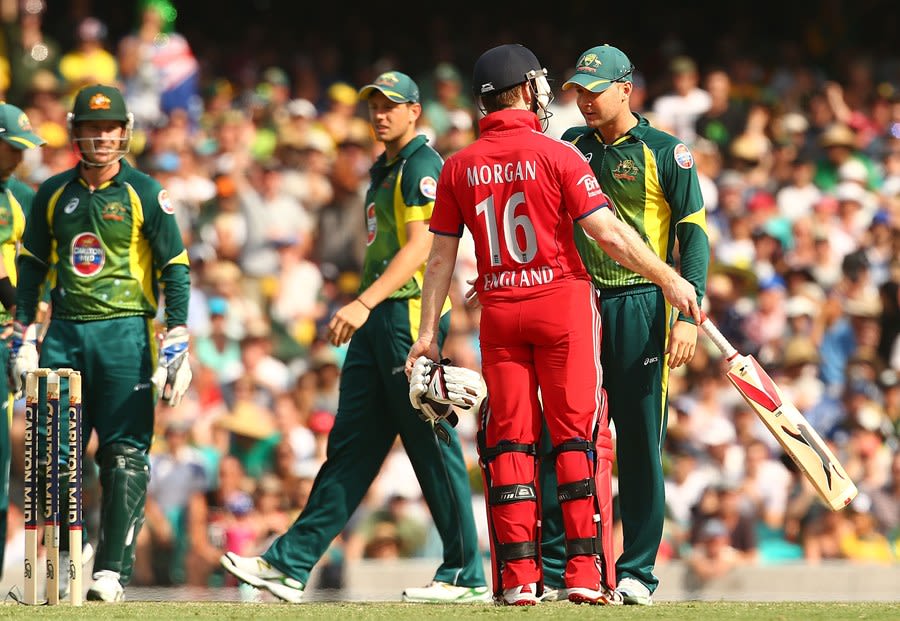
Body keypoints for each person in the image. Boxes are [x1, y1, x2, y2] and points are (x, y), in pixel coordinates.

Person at [406, 43, 700, 606]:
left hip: (498, 310)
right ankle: (587, 577)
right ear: (527, 90)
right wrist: (667, 276)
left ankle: (518, 581)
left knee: (510, 442)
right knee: (579, 438)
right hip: (562, 306)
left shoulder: (459, 165)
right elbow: (607, 234)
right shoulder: (559, 154)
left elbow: (439, 258)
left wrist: (426, 335)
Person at [220, 70, 489, 604]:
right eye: (374, 104)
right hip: (378, 322)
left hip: (404, 318)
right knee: (349, 450)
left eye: (391, 105)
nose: (380, 113)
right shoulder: (385, 170)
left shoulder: (420, 166)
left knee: (430, 443)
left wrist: (365, 302)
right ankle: (290, 565)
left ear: (416, 111)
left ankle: (466, 572)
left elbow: (422, 248)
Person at [11, 84, 192, 601]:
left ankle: (111, 571)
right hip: (65, 330)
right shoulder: (51, 193)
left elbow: (174, 267)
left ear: (125, 132)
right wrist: (27, 333)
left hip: (126, 332)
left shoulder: (145, 192)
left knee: (121, 455)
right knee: (55, 452)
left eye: (110, 127)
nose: (102, 137)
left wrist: (176, 332)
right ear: (76, 132)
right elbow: (33, 268)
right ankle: (71, 555)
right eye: (92, 128)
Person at [549, 44, 710, 605]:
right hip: (577, 303)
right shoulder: (571, 146)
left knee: (640, 441)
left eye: (595, 91)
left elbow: (693, 232)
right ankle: (567, 566)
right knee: (570, 436)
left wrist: (688, 316)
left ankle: (637, 570)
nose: (585, 102)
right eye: (579, 92)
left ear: (626, 89)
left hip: (644, 303)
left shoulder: (668, 151)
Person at [0, 102, 45, 578]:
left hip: (8, 337)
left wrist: (34, 319)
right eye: (11, 148)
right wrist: (23, 312)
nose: (19, 157)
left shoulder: (22, 197)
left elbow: (37, 266)